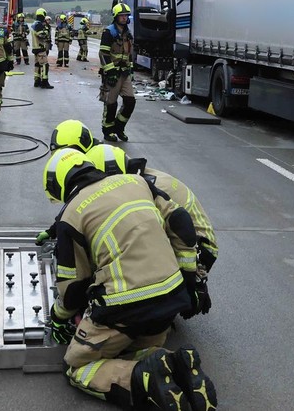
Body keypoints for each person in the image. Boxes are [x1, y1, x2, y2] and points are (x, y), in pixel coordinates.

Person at [42, 149, 216, 410]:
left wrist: (58, 318)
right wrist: (187, 282)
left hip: (123, 308)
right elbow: (181, 222)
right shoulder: (136, 182)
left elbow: (72, 288)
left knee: (78, 366)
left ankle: (143, 382)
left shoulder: (71, 215)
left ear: (60, 184)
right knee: (130, 350)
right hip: (168, 306)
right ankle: (176, 365)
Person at [86, 144, 218, 284]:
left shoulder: (149, 188)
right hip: (185, 236)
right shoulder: (137, 177)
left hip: (200, 246)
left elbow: (172, 228)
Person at [99, 2, 135, 142]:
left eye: (126, 15)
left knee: (130, 101)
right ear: (116, 17)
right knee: (111, 103)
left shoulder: (128, 34)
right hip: (112, 73)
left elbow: (129, 54)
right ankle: (108, 130)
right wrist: (110, 71)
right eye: (122, 16)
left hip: (124, 73)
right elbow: (103, 54)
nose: (124, 18)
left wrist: (130, 69)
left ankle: (119, 127)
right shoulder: (109, 32)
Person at [31, 8, 54, 89]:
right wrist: (47, 32)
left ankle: (37, 81)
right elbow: (41, 35)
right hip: (40, 47)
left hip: (35, 47)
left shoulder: (34, 23)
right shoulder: (39, 24)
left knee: (37, 65)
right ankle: (44, 82)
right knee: (45, 65)